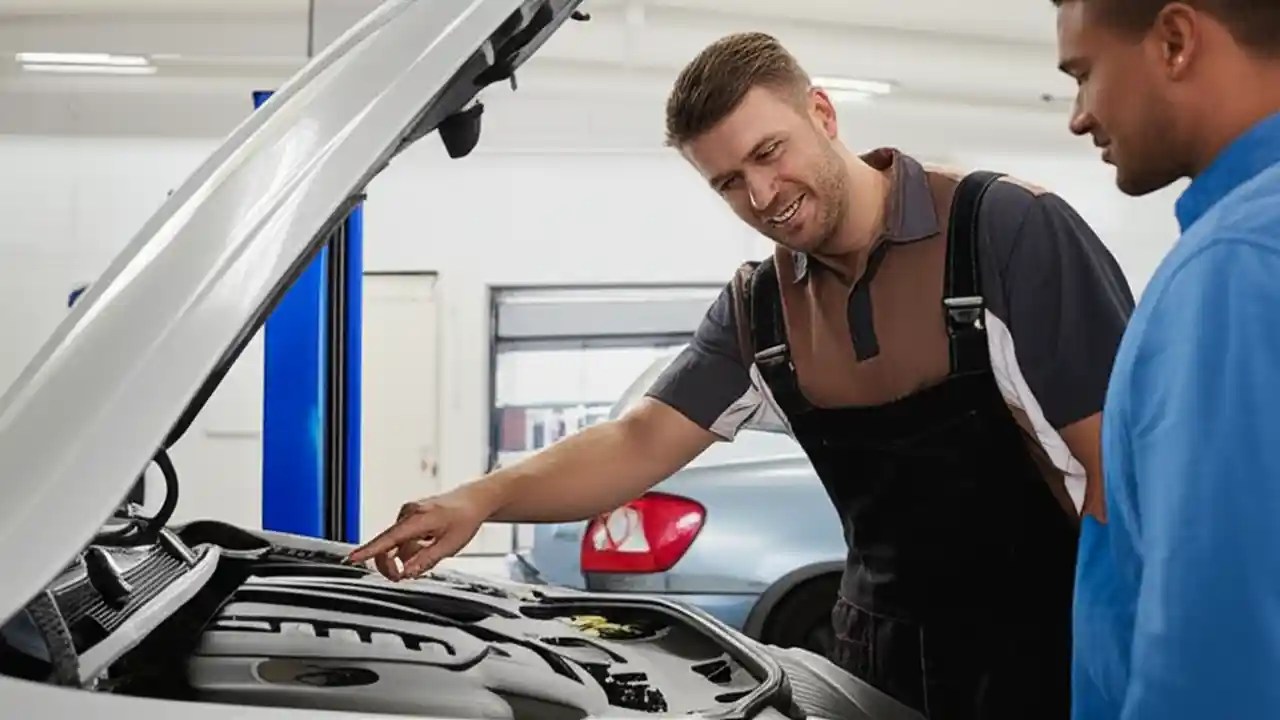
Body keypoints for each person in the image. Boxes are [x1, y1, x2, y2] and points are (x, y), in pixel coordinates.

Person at [351, 31, 1134, 718]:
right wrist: (481, 498)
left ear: (822, 115)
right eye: (727, 181)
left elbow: (1118, 477)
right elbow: (636, 441)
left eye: (769, 152)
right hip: (875, 662)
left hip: (1047, 652)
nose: (761, 196)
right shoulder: (761, 310)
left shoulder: (1003, 231)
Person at [1052, 1, 1280, 718]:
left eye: (1084, 75)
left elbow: (1220, 658)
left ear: (1175, 41)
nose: (1078, 116)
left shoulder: (1235, 265)